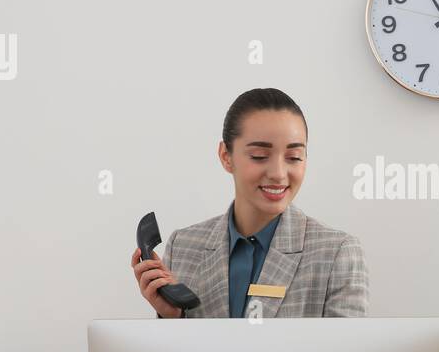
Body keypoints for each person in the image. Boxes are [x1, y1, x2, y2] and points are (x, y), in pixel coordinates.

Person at [131, 88, 369, 319]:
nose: (278, 173)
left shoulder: (338, 253)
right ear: (226, 156)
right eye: (259, 156)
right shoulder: (183, 246)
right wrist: (172, 318)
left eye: (294, 157)